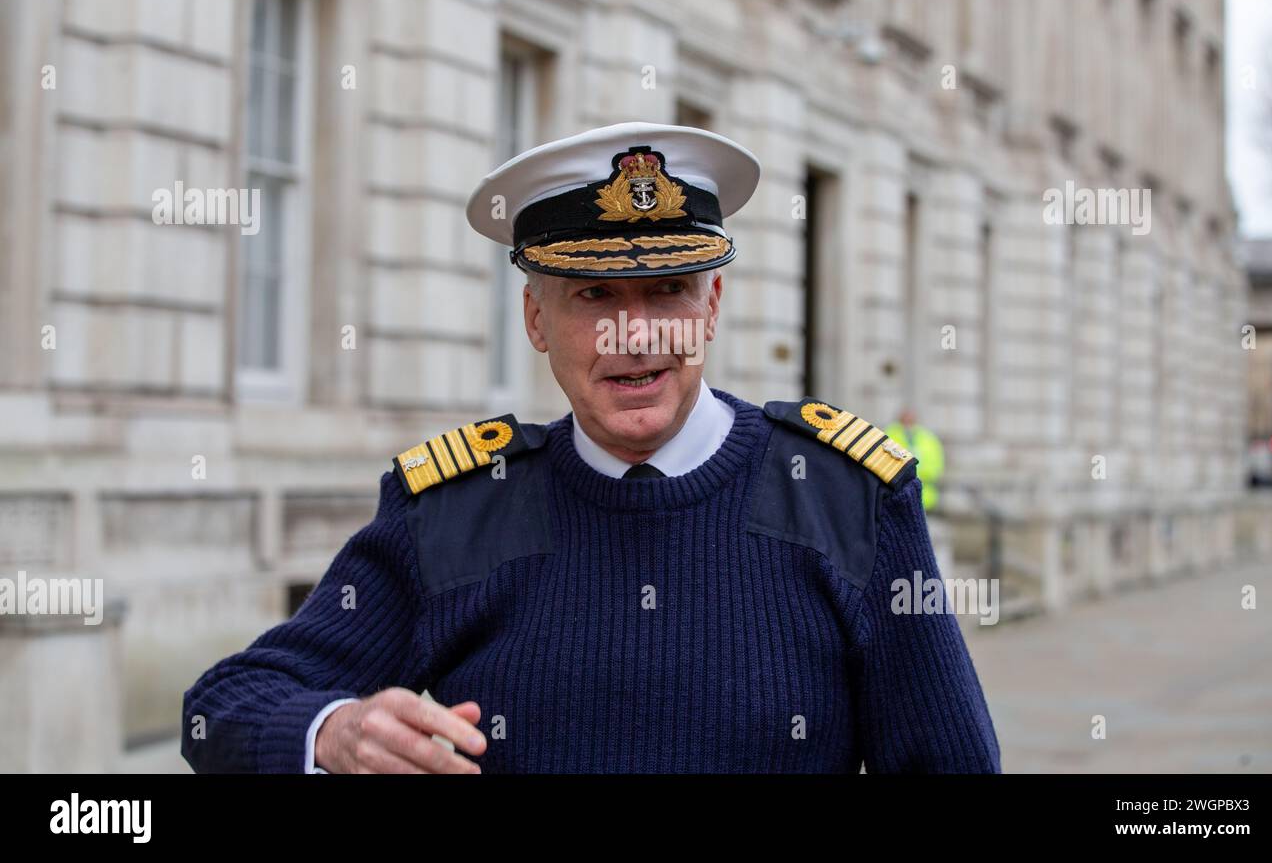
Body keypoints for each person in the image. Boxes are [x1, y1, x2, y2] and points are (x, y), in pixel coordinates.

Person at [181, 121, 1000, 774]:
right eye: (594, 294)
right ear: (536, 320)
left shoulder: (845, 499)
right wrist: (336, 731)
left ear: (712, 304)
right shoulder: (455, 510)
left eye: (668, 291)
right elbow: (220, 706)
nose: (633, 334)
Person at [886, 409, 945, 512]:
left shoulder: (927, 438)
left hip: (925, 497)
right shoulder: (889, 435)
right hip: (897, 496)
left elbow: (936, 465)